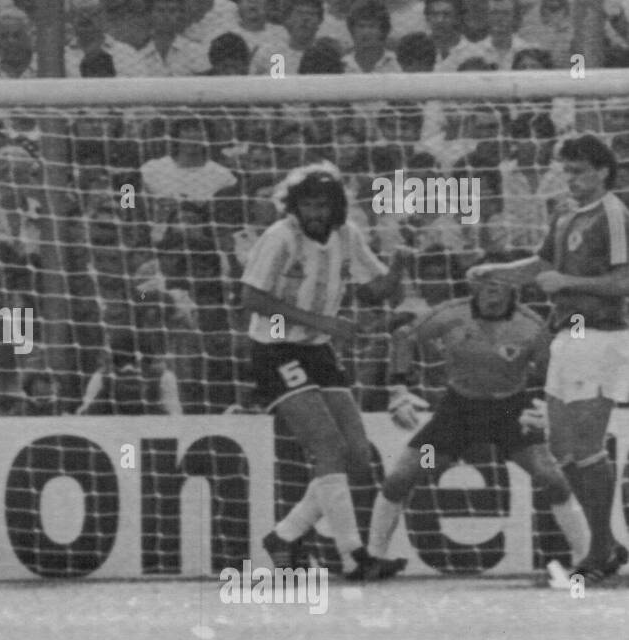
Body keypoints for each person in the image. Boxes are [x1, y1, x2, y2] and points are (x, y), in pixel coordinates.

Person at [468, 134, 629, 582]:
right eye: (567, 170)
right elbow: (541, 267)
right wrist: (495, 271)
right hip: (567, 336)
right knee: (562, 449)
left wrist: (570, 283)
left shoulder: (614, 214)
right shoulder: (562, 213)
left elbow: (623, 282)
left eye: (579, 171)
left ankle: (600, 550)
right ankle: (609, 545)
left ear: (602, 171)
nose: (571, 179)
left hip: (600, 337)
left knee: (586, 446)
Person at [242, 162, 410, 580]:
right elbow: (250, 296)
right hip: (276, 348)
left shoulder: (347, 234)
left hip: (317, 350)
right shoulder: (281, 237)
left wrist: (403, 262)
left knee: (356, 454)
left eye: (322, 204)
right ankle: (354, 555)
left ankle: (286, 535)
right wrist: (324, 323)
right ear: (294, 206)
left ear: (336, 207)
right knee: (328, 446)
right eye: (307, 204)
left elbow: (378, 288)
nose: (314, 212)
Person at [370, 275, 592, 577]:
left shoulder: (532, 325)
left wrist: (544, 405)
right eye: (486, 286)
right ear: (475, 288)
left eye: (500, 287)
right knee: (402, 476)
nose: (492, 294)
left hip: (510, 414)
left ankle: (585, 558)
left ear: (513, 289)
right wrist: (398, 391)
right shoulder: (450, 313)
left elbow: (549, 370)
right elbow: (404, 336)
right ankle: (374, 557)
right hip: (457, 415)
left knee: (550, 478)